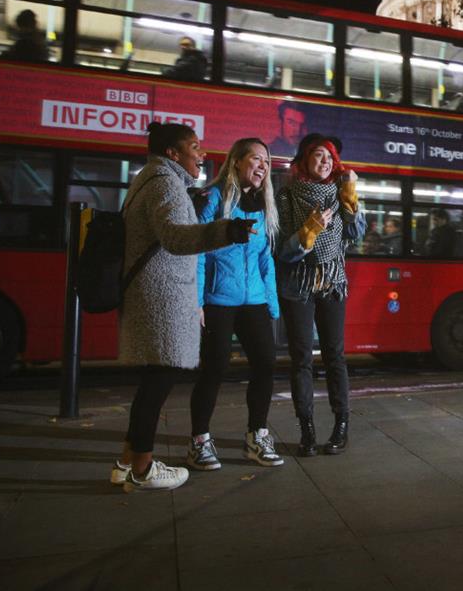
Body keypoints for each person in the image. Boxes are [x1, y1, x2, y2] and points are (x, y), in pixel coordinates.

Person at [110, 122, 254, 492]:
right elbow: (175, 237)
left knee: (154, 381)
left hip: (157, 294)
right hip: (163, 297)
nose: (202, 154)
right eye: (194, 147)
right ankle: (142, 468)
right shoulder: (165, 183)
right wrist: (226, 230)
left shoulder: (153, 179)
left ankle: (127, 461)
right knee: (158, 382)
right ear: (173, 153)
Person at [187, 138, 284, 471]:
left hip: (253, 299)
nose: (262, 166)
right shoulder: (215, 198)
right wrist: (197, 301)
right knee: (214, 368)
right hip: (218, 298)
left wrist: (271, 305)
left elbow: (265, 260)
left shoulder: (264, 203)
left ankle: (257, 436)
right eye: (256, 159)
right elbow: (198, 251)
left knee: (266, 364)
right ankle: (200, 441)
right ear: (237, 162)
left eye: (267, 162)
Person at [276, 133, 365, 456]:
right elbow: (283, 252)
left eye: (329, 157)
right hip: (297, 284)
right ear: (303, 160)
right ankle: (307, 429)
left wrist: (352, 197)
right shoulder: (286, 196)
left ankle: (341, 425)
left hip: (332, 282)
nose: (325, 161)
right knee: (301, 359)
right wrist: (308, 232)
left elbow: (356, 234)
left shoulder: (341, 193)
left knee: (334, 356)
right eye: (318, 155)